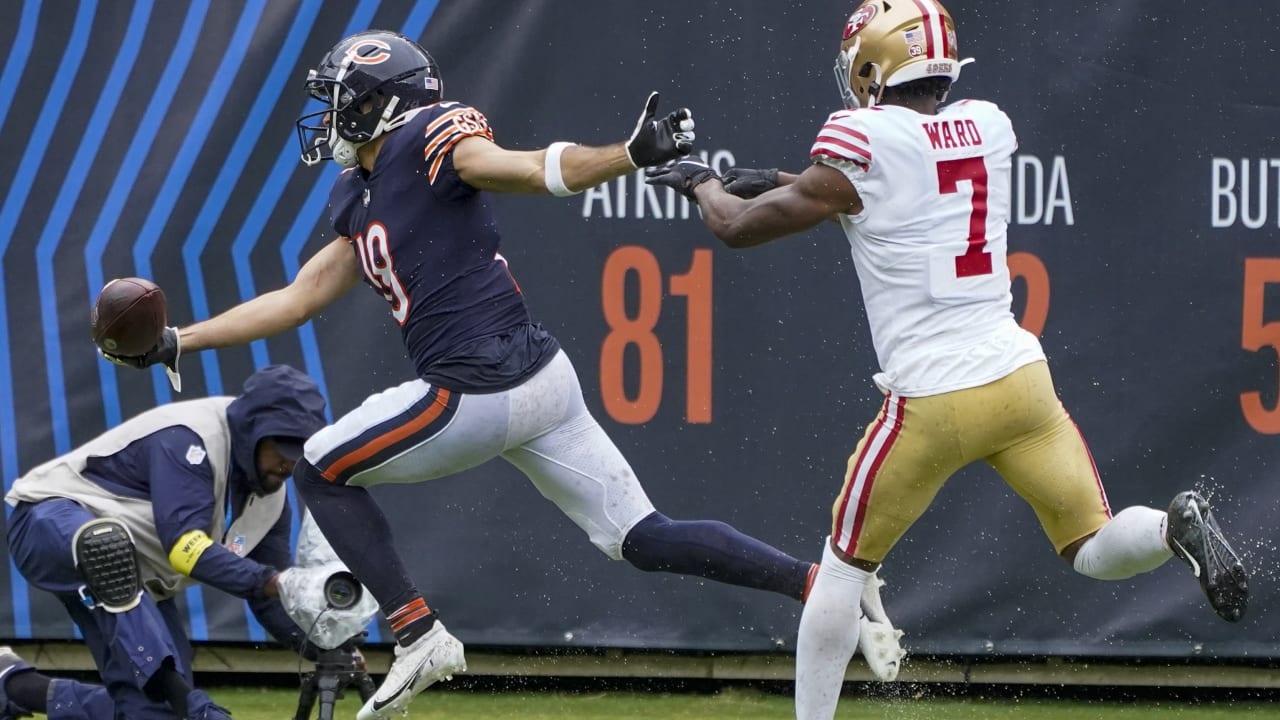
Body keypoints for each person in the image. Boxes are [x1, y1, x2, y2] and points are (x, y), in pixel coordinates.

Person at [97, 29, 910, 720]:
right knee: (642, 536)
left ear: (379, 100)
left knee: (320, 464)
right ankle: (823, 589)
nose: (329, 114)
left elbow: (520, 166)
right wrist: (180, 340)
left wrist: (627, 155)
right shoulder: (361, 191)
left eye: (340, 96)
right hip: (541, 382)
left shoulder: (433, 136)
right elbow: (302, 294)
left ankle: (418, 633)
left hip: (475, 388)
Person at [643, 1, 1251, 718]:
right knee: (1090, 542)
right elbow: (890, 179)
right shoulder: (987, 126)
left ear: (874, 66)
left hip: (931, 400)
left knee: (840, 570)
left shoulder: (860, 138)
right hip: (1020, 381)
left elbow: (740, 229)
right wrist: (780, 175)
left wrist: (700, 182)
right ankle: (1168, 529)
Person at [2, 364, 332, 720]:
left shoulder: (271, 500)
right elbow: (185, 548)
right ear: (252, 430)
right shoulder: (191, 437)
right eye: (281, 446)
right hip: (48, 522)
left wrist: (321, 647)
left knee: (157, 713)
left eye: (299, 450)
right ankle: (189, 703)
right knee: (105, 548)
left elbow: (272, 600)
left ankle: (15, 686)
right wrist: (270, 581)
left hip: (131, 578)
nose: (289, 462)